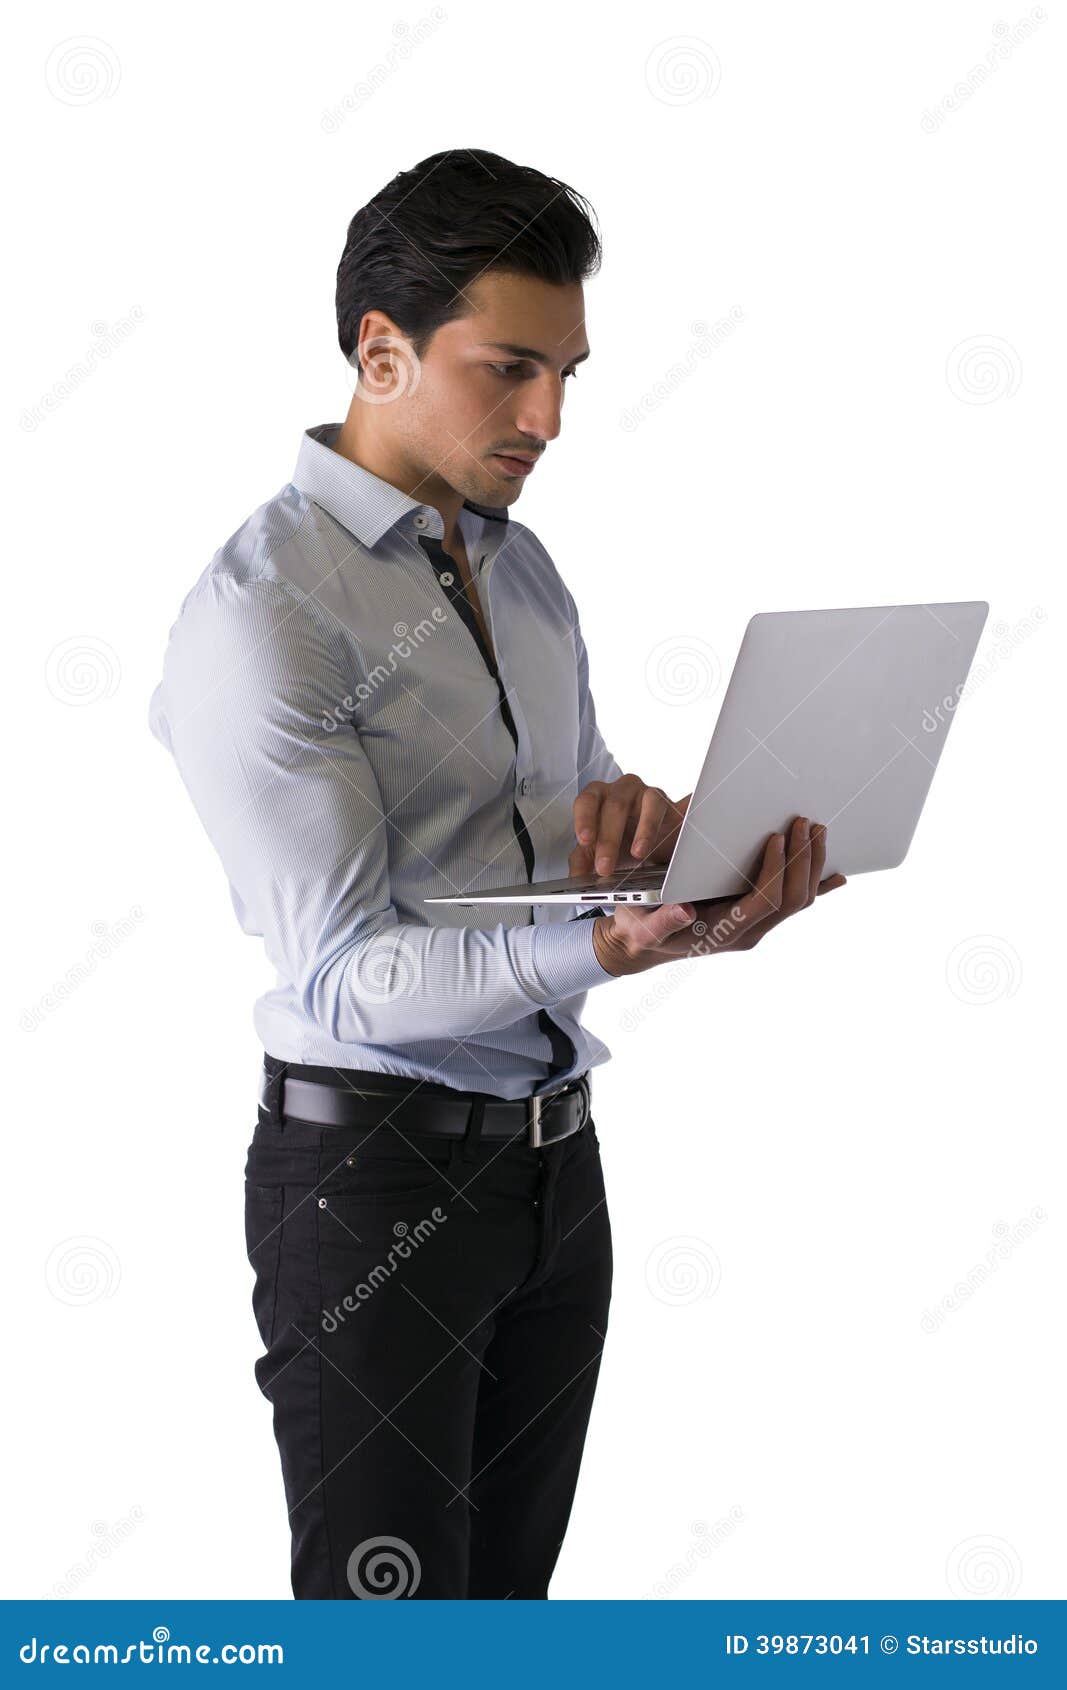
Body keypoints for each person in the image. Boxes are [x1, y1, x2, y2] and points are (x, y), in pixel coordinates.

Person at [148, 148, 845, 1601]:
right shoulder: (262, 614)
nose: (551, 417)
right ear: (380, 352)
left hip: (552, 1172)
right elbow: (345, 972)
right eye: (512, 368)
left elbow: (541, 868)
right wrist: (615, 948)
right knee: (389, 1634)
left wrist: (651, 855)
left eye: (570, 373)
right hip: (369, 1177)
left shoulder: (521, 572)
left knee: (510, 1624)